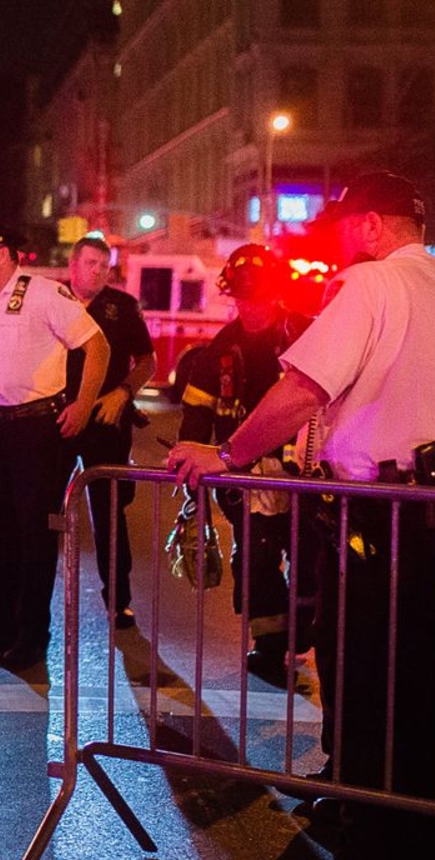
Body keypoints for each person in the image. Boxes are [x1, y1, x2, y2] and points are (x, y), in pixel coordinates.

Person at [168, 172, 435, 860]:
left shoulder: (372, 286)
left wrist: (228, 455)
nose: (341, 241)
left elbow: (303, 389)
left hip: (388, 519)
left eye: (347, 226)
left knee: (372, 702)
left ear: (373, 225)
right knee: (433, 705)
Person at [0, 218, 110, 670]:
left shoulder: (44, 294)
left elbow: (97, 346)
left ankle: (31, 635)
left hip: (35, 429)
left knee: (34, 534)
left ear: (6, 252)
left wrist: (84, 404)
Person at [177, 243, 310, 687]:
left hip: (307, 476)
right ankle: (270, 647)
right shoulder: (220, 349)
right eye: (243, 297)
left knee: (313, 559)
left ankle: (309, 630)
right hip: (242, 478)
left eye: (259, 296)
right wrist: (192, 470)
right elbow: (196, 415)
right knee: (255, 560)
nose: (251, 306)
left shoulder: (305, 334)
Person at [62, 236, 156, 629]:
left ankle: (118, 601)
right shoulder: (54, 300)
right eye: (91, 263)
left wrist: (124, 392)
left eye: (104, 265)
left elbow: (147, 360)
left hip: (106, 418)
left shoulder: (122, 306)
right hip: (58, 418)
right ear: (73, 265)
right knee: (43, 511)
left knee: (110, 513)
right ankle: (31, 602)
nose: (99, 271)